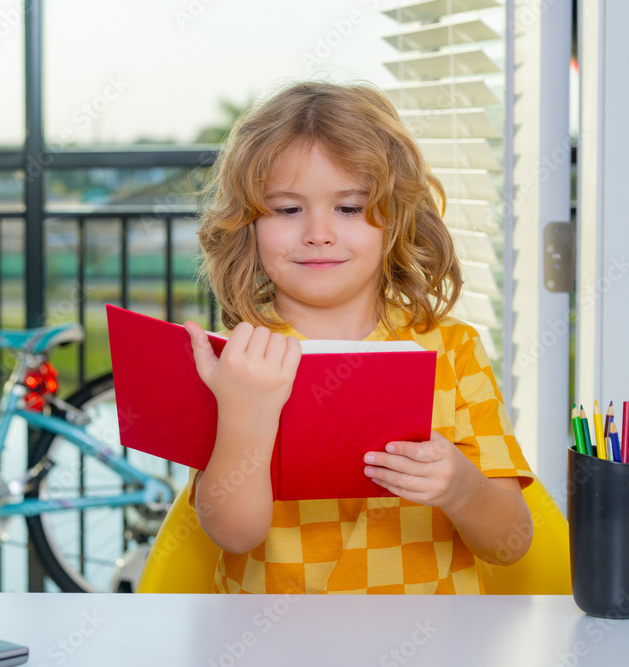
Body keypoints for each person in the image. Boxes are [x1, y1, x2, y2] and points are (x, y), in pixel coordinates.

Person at [182, 81, 533, 594]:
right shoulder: (235, 362)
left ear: (396, 221)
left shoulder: (453, 350)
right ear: (248, 225)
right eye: (286, 209)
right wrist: (244, 417)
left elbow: (512, 541)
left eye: (349, 208)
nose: (318, 232)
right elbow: (234, 535)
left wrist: (461, 488)